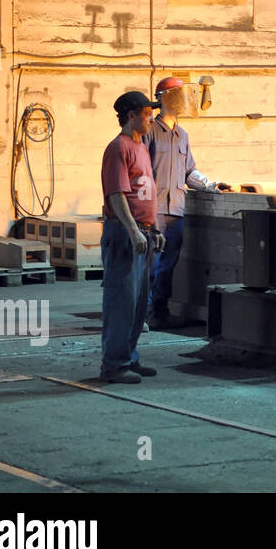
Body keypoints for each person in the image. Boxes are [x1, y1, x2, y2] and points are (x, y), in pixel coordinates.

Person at [145, 77, 230, 328]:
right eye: (177, 95)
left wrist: (212, 185)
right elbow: (140, 172)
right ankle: (144, 313)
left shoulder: (182, 135)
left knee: (167, 266)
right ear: (164, 98)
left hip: (176, 210)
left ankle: (159, 312)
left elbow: (188, 171)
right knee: (151, 265)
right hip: (155, 210)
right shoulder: (148, 132)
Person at [99, 91, 163, 384]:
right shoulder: (118, 148)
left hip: (143, 234)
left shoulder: (141, 147)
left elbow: (145, 192)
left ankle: (129, 357)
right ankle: (114, 365)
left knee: (138, 304)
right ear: (132, 116)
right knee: (121, 301)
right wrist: (133, 230)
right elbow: (117, 194)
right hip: (125, 234)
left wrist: (154, 227)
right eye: (148, 114)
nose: (151, 119)